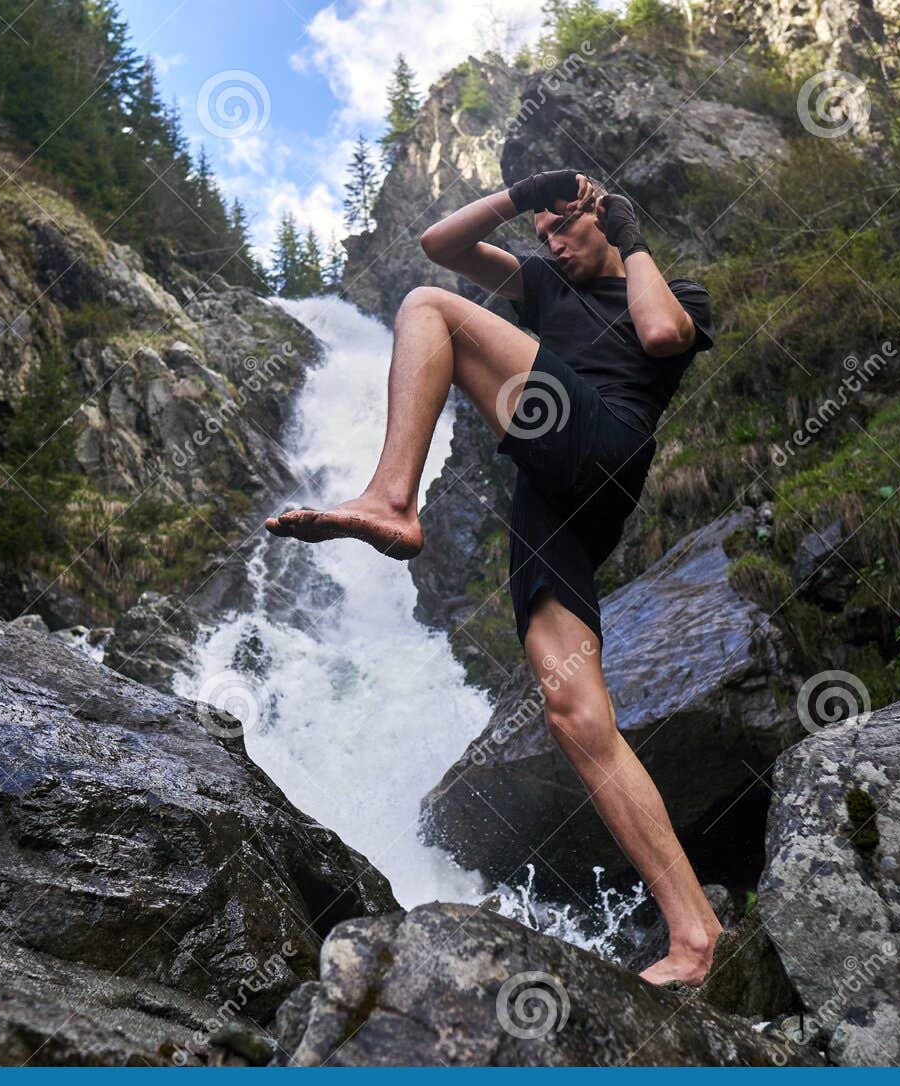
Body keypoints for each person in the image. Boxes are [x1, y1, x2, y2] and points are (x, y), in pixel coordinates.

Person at [263, 169, 722, 986]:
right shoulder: (541, 284)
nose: (549, 243)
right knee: (576, 715)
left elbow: (657, 335)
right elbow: (440, 245)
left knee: (425, 308)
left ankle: (393, 497)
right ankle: (693, 936)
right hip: (554, 508)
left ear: (602, 215)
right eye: (539, 232)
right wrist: (521, 195)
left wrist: (631, 229)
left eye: (564, 226)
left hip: (604, 442)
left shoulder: (673, 292)